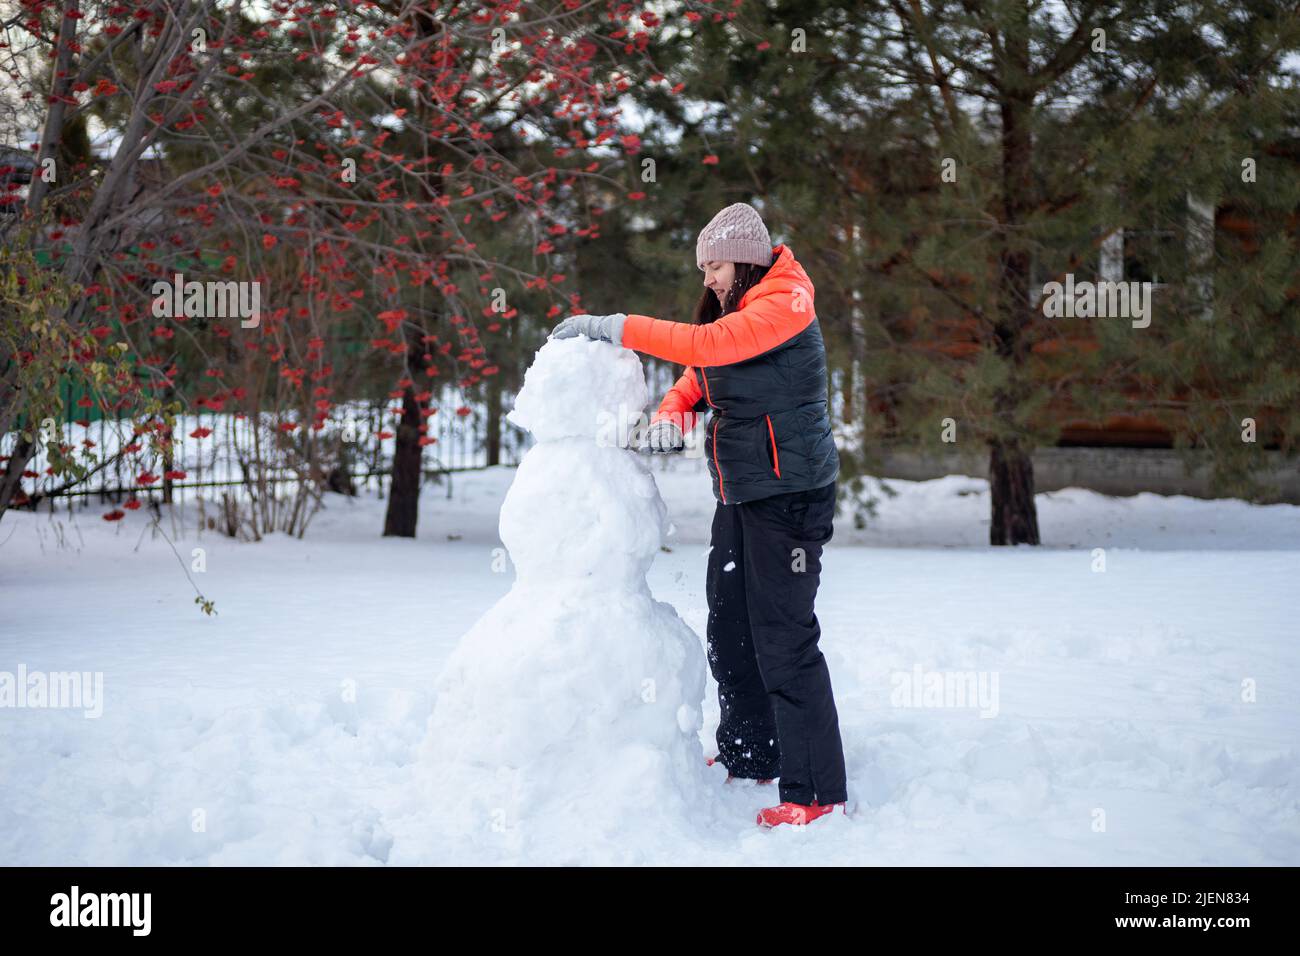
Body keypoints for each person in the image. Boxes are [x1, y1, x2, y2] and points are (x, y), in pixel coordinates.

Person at [550, 202, 847, 828]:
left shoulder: (785, 302)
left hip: (788, 497)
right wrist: (670, 417)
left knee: (784, 639)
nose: (707, 279)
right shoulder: (741, 307)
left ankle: (816, 792)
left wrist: (616, 325)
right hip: (743, 491)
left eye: (713, 266)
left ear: (743, 258)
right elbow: (699, 372)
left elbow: (707, 344)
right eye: (704, 269)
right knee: (731, 626)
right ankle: (751, 752)